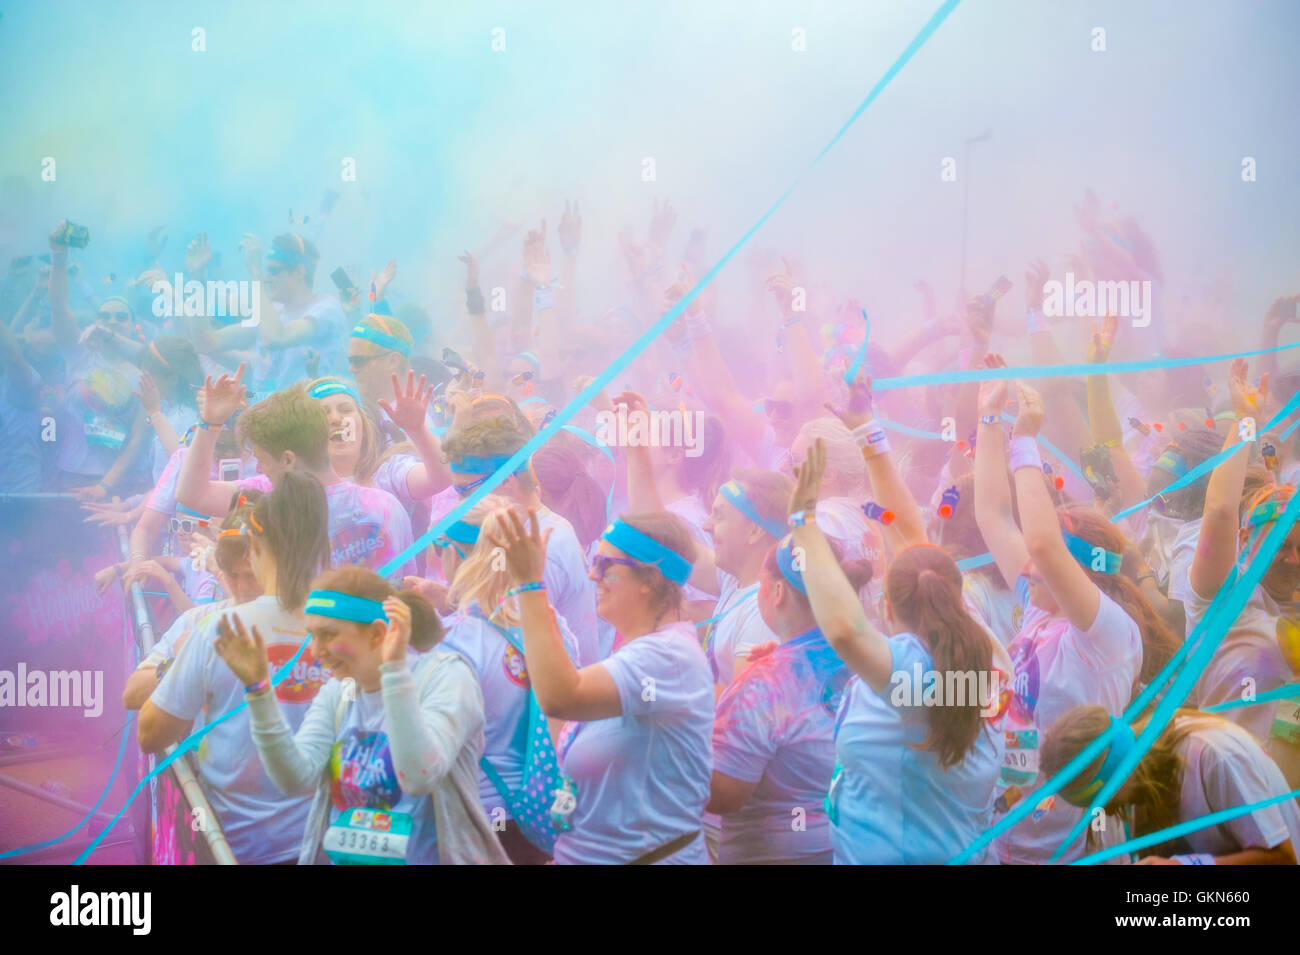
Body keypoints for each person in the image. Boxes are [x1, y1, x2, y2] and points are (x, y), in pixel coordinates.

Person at [973, 362, 1177, 863]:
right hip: (1006, 845)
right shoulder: (1039, 609)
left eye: (1048, 564)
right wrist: (989, 419)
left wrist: (1026, 442)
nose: (1025, 564)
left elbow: (1042, 544)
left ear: (1080, 571)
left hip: (1068, 854)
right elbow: (992, 516)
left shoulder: (1107, 635)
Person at [789, 438, 1004, 863]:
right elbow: (916, 543)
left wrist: (803, 523)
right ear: (955, 598)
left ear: (887, 607)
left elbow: (846, 631)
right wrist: (868, 434)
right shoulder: (983, 653)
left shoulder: (915, 668)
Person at [213, 565, 509, 865]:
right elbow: (295, 778)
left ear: (378, 633)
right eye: (312, 636)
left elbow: (419, 777)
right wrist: (259, 692)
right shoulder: (338, 692)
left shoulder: (445, 676)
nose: (315, 652)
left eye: (327, 635)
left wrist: (393, 671)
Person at [490, 508, 714, 864]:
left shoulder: (668, 657)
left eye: (606, 565)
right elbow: (566, 722)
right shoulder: (639, 651)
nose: (593, 576)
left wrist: (530, 586)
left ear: (650, 580)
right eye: (593, 562)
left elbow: (560, 699)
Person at [138, 472, 332, 864]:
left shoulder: (219, 631)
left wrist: (180, 673)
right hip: (326, 846)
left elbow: (150, 733)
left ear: (255, 548)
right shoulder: (347, 624)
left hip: (234, 849)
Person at [438, 498, 582, 864]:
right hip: (539, 813)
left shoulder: (451, 640)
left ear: (454, 555)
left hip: (478, 817)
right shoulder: (553, 628)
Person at [176, 368, 415, 579]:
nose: (259, 468)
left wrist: (211, 423)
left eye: (262, 459)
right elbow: (192, 494)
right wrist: (210, 422)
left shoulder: (273, 499)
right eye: (324, 413)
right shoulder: (270, 491)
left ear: (288, 459)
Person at [1185, 359, 1300, 785]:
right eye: (1281, 545)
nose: (1294, 559)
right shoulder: (1225, 598)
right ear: (1247, 540)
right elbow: (1218, 510)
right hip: (1219, 792)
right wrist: (1245, 422)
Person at [1043, 705, 1299, 864]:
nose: (1104, 812)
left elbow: (1283, 859)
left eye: (1102, 801)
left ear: (1115, 776)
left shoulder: (1214, 757)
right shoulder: (1118, 806)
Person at [442, 416, 598, 664]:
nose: (460, 503)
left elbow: (509, 638)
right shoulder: (524, 531)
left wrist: (449, 601)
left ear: (505, 480)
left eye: (464, 491)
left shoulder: (543, 547)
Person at [122, 492, 264, 709]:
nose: (242, 588)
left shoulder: (296, 621)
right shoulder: (197, 619)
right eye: (232, 575)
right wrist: (179, 666)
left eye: (252, 575)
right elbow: (132, 695)